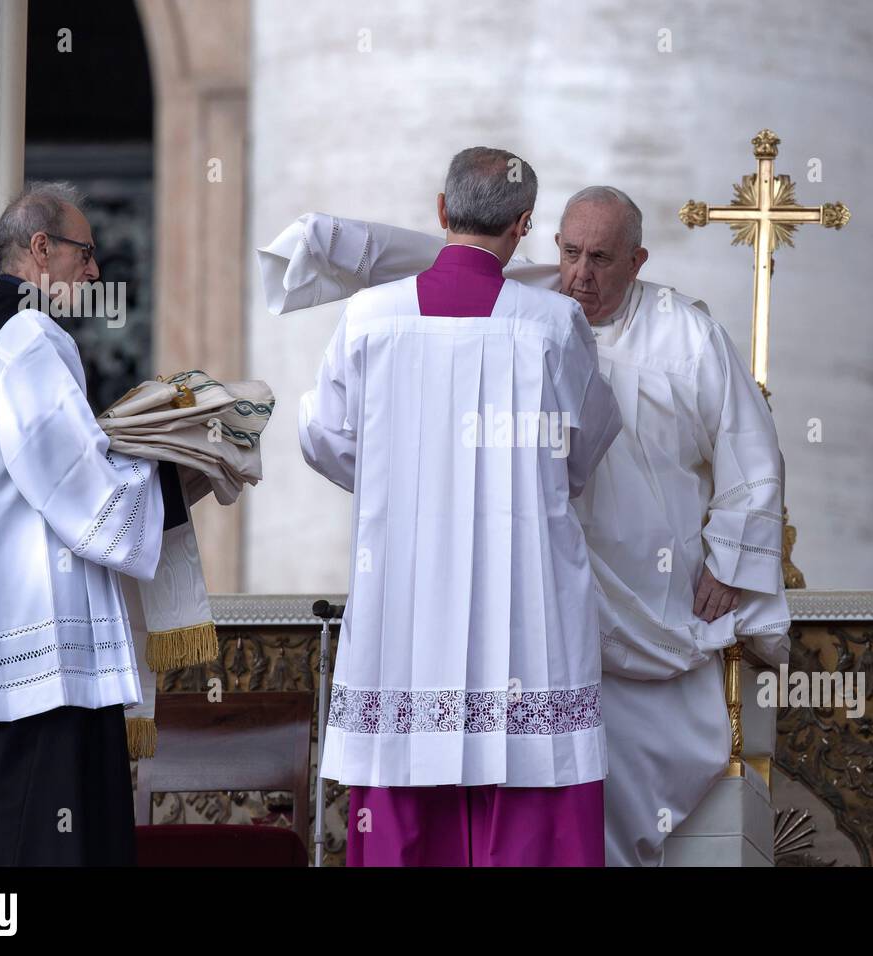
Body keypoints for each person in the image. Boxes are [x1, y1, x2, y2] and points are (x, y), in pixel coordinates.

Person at [259, 185, 790, 866]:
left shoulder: (686, 334)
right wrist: (320, 241)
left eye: (601, 258)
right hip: (535, 604)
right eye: (570, 252)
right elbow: (445, 257)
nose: (581, 275)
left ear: (638, 260)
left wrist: (731, 557)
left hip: (650, 602)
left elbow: (752, 449)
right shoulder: (532, 304)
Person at [296, 148, 621, 866]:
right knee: (532, 797)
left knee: (406, 795)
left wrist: (400, 484)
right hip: (526, 614)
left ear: (442, 212)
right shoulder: (553, 325)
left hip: (405, 606)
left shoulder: (368, 318)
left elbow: (321, 438)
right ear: (525, 224)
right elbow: (584, 447)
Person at [0, 181, 171, 866]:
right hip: (43, 652)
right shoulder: (28, 341)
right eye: (85, 255)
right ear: (42, 249)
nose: (94, 273)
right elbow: (84, 497)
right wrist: (176, 466)